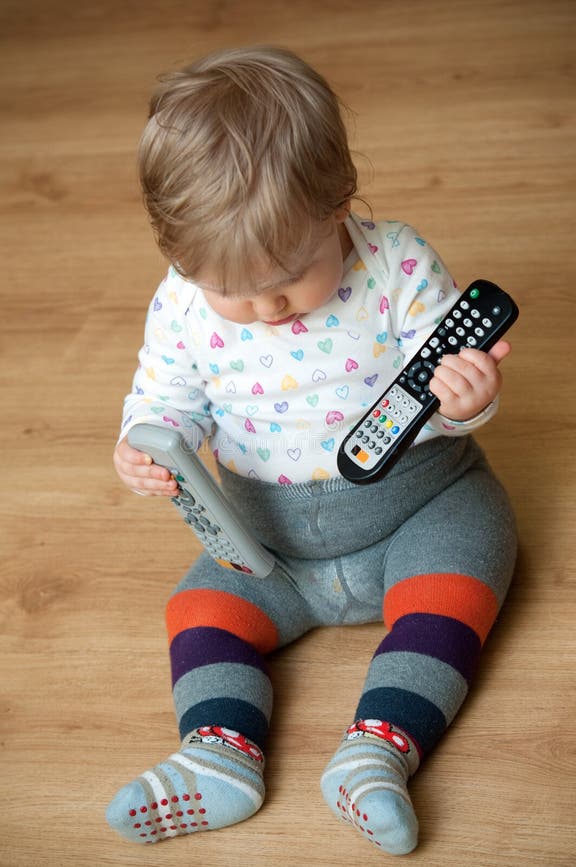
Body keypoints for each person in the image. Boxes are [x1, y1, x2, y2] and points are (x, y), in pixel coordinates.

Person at [107, 46, 517, 855]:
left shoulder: (397, 262)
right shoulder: (183, 305)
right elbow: (164, 402)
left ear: (339, 206)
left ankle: (381, 747)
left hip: (419, 503)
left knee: (470, 561)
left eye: (293, 274)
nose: (265, 308)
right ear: (180, 255)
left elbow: (447, 382)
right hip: (271, 542)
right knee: (198, 609)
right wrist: (145, 446)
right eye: (232, 290)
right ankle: (219, 751)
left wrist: (470, 400)